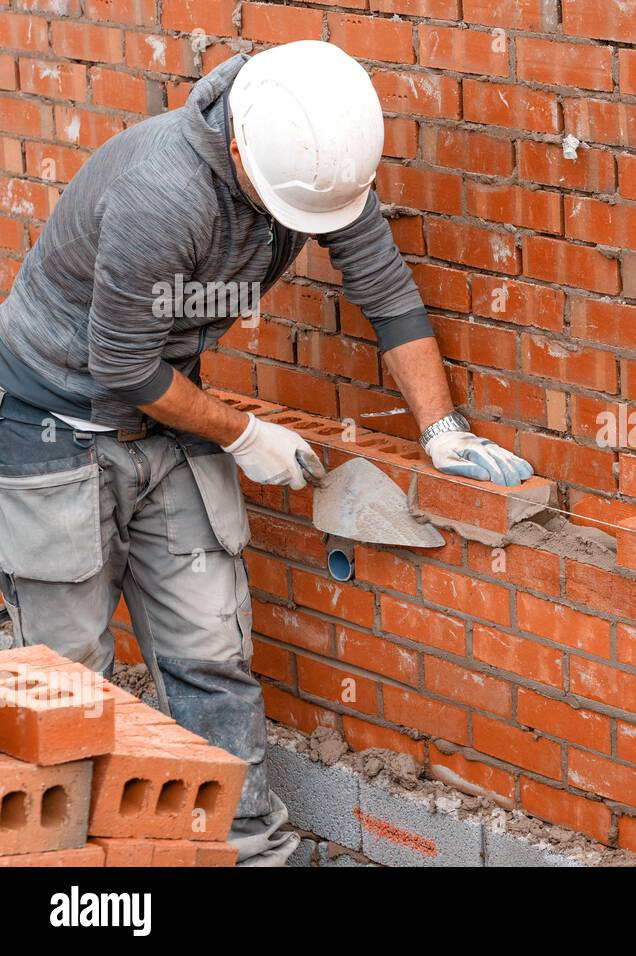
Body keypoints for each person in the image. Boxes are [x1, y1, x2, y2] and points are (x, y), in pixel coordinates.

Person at [0, 40, 532, 865]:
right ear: (241, 150)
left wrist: (442, 430)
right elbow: (121, 366)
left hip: (167, 415)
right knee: (69, 678)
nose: (300, 229)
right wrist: (243, 434)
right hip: (55, 423)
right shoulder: (163, 192)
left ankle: (247, 852)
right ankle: (71, 874)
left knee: (210, 653)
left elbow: (386, 293)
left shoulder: (318, 160)